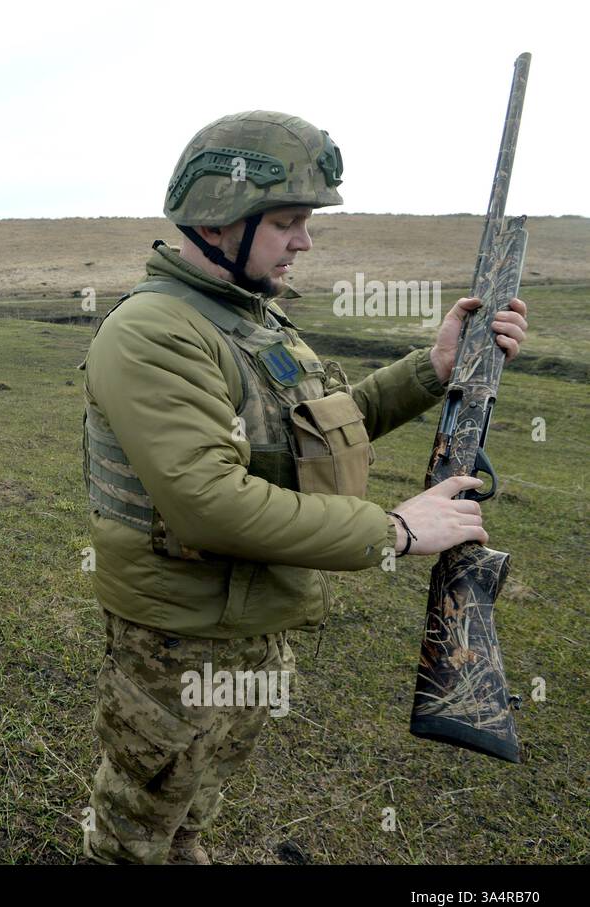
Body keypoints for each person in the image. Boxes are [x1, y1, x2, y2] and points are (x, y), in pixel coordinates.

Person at [79, 111, 528, 864]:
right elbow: (208, 504)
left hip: (249, 630)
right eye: (288, 221)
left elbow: (322, 428)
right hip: (180, 647)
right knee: (134, 833)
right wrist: (396, 530)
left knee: (193, 810)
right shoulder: (154, 331)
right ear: (221, 221)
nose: (305, 241)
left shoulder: (251, 320)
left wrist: (433, 368)